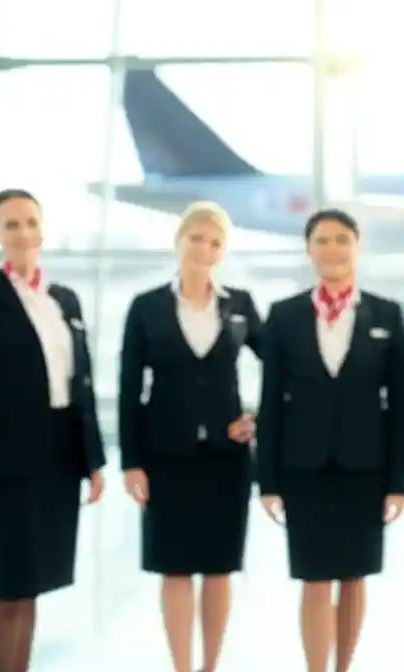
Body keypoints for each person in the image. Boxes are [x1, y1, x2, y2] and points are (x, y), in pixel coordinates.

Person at [0, 189, 107, 671]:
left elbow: (83, 383)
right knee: (10, 587)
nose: (22, 233)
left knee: (33, 585)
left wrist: (93, 461)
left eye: (30, 222)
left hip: (58, 459)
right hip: (4, 463)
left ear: (43, 229)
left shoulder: (64, 299)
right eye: (11, 224)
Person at [256, 209, 404, 672]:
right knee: (314, 577)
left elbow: (401, 400)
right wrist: (267, 481)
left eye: (342, 239)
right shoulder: (284, 316)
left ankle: (345, 666)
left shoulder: (386, 313)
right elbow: (269, 401)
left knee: (355, 575)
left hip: (366, 466)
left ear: (357, 246)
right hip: (302, 465)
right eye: (322, 240)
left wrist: (397, 481)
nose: (332, 249)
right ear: (309, 249)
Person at [118, 201, 262, 672]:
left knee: (219, 568)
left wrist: (256, 418)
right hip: (166, 453)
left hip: (226, 457)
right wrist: (132, 461)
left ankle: (210, 666)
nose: (204, 248)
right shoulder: (147, 307)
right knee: (175, 566)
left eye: (215, 241)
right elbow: (128, 387)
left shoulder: (238, 304)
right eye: (196, 237)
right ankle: (182, 667)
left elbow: (283, 366)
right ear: (179, 240)